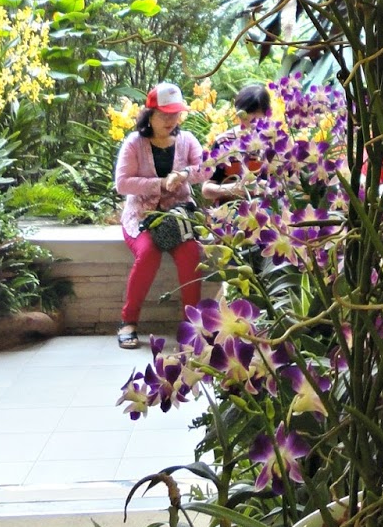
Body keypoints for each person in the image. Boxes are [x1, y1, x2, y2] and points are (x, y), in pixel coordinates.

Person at [114, 82, 204, 350]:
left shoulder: (187, 140)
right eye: (164, 114)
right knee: (149, 252)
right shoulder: (134, 144)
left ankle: (192, 325)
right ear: (149, 114)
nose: (170, 120)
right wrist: (159, 184)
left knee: (190, 252)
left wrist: (184, 174)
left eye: (175, 114)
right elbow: (122, 183)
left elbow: (206, 168)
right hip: (142, 216)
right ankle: (128, 321)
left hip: (177, 218)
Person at [201, 81, 272, 204]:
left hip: (265, 209)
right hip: (228, 211)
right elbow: (206, 190)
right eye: (245, 112)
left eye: (255, 112)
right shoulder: (224, 142)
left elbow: (283, 183)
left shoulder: (272, 141)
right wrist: (232, 188)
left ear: (266, 113)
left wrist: (261, 186)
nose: (249, 117)